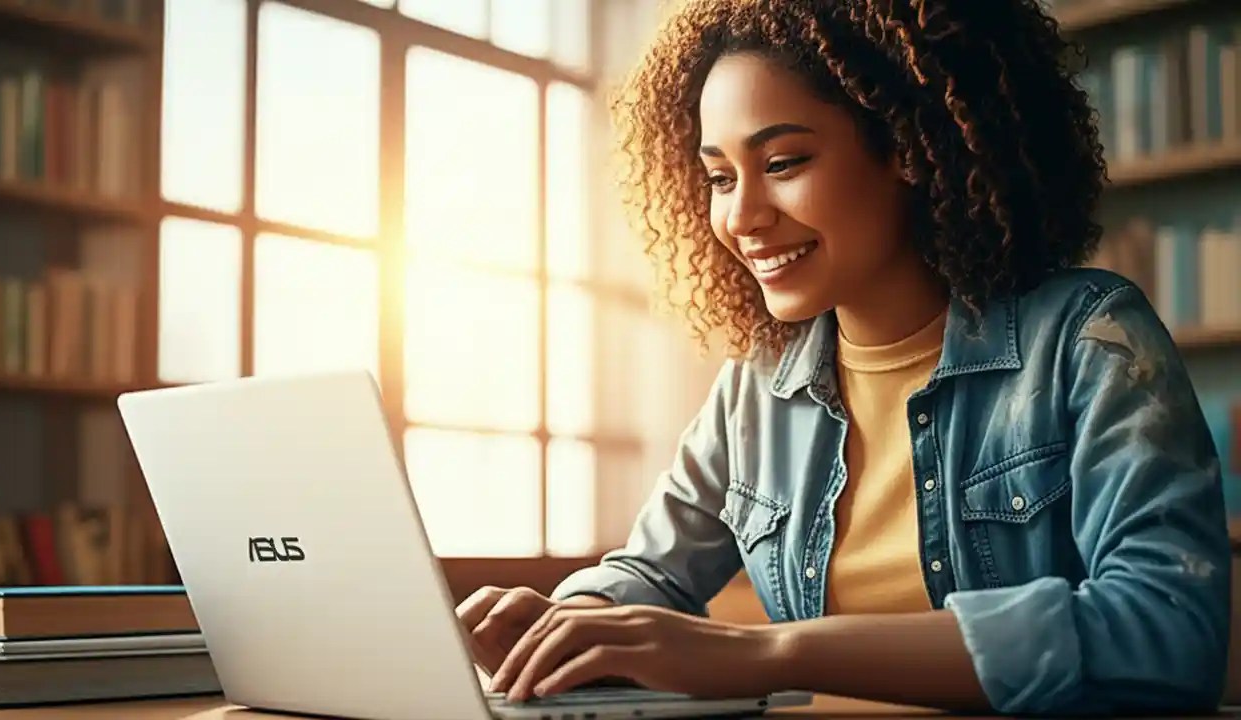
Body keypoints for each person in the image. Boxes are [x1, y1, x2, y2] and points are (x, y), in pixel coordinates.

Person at [456, 0, 1232, 714]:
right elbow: (652, 574)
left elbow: (1162, 630)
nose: (742, 217)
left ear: (909, 145)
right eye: (719, 177)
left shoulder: (1085, 337)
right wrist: (574, 620)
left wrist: (769, 652)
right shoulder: (755, 390)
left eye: (784, 163)